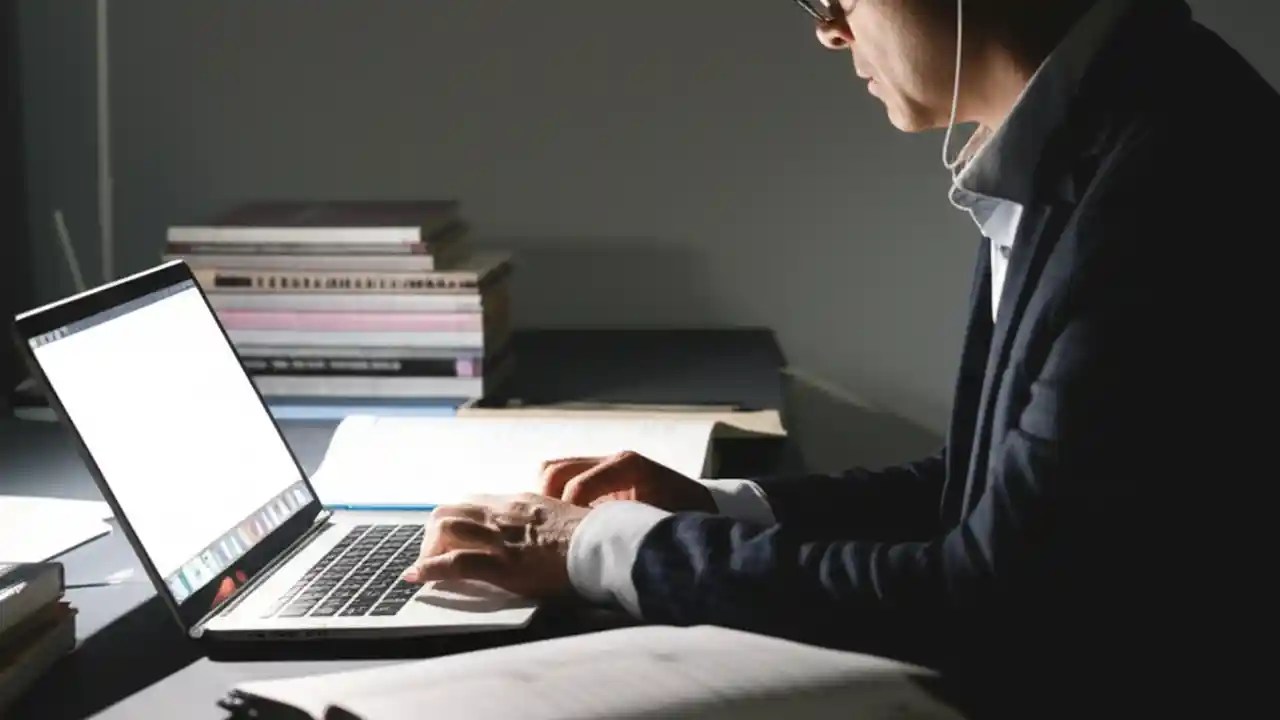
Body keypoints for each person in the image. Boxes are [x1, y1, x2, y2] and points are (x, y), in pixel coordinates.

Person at [402, 0, 1276, 716]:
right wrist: (719, 509)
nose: (827, 29)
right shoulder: (1096, 122)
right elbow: (987, 491)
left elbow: (989, 598)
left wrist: (607, 550)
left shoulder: (1165, 184)